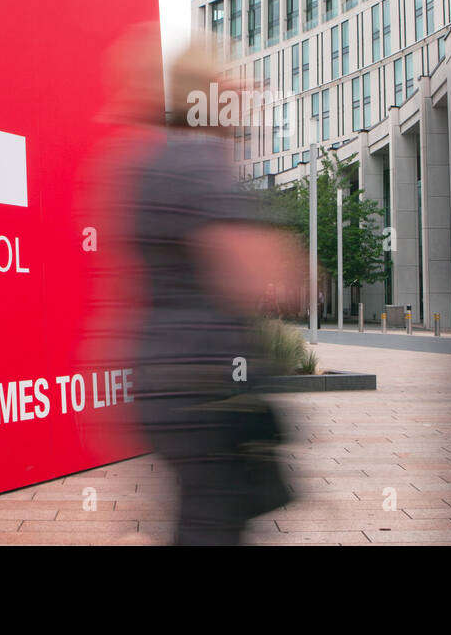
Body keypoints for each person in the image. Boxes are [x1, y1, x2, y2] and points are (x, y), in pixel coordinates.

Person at [125, 40, 305, 545]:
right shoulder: (200, 162)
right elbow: (257, 276)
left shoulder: (149, 163)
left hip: (164, 377)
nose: (244, 91)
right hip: (205, 387)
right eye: (230, 80)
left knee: (203, 517)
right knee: (211, 524)